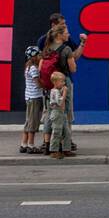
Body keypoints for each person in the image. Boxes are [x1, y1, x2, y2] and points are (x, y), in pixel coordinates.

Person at [39, 20, 85, 152]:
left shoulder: (47, 48)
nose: (68, 34)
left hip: (50, 85)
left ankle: (47, 144)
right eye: (66, 33)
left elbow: (41, 67)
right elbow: (73, 68)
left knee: (49, 113)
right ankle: (65, 145)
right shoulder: (66, 49)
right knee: (65, 113)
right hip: (64, 83)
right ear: (60, 35)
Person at [21, 46, 44, 154]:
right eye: (38, 55)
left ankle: (23, 144)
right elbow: (37, 83)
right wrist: (45, 85)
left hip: (29, 97)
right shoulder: (34, 69)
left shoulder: (28, 67)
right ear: (33, 57)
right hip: (35, 98)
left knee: (28, 121)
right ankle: (31, 145)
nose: (40, 56)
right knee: (33, 122)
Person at [47, 71, 73, 159]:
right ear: (55, 82)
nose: (64, 83)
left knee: (67, 131)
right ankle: (54, 151)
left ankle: (66, 149)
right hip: (57, 113)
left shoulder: (59, 90)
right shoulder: (54, 92)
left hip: (62, 113)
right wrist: (65, 93)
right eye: (61, 81)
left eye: (64, 81)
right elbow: (60, 103)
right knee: (57, 132)